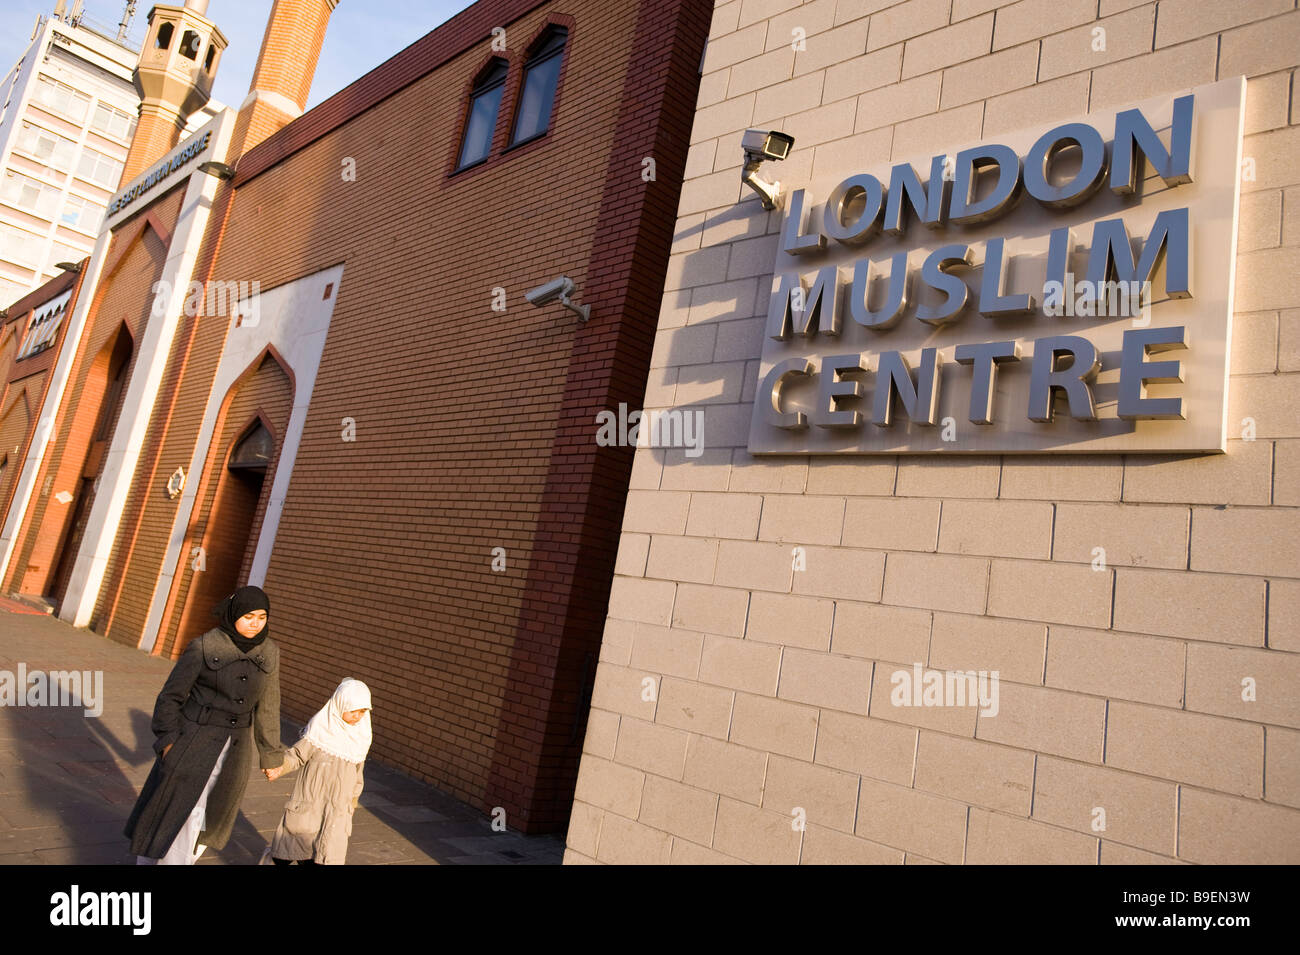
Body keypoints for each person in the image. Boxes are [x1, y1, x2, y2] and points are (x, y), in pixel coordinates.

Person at [125, 586, 284, 864]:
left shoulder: (269, 652)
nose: (255, 623)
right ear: (233, 615)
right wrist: (167, 741)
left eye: (261, 617)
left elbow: (269, 706)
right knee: (183, 811)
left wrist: (270, 755)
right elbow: (170, 697)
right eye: (248, 617)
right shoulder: (203, 647)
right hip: (192, 743)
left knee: (209, 817)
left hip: (234, 751)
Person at [264, 678, 371, 865]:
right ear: (340, 704)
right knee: (286, 853)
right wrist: (279, 767)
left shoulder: (360, 739)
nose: (358, 716)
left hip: (337, 814)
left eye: (362, 711)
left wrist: (352, 803)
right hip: (308, 808)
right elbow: (296, 755)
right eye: (353, 710)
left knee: (324, 855)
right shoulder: (320, 731)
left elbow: (357, 776)